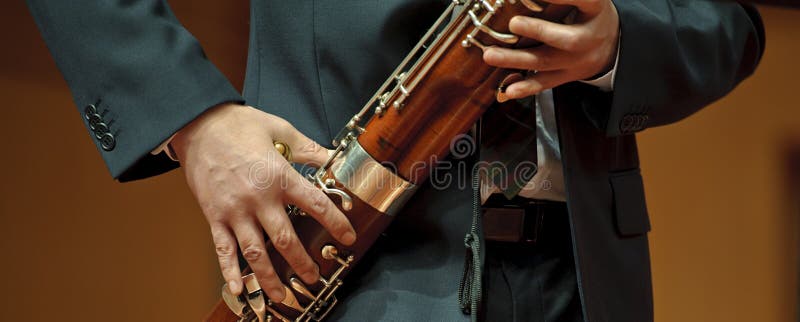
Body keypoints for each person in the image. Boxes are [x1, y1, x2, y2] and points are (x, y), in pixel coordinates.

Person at [25, 0, 764, 321]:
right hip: (350, 268)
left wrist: (621, 36)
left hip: (584, 285)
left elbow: (727, 18)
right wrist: (193, 120)